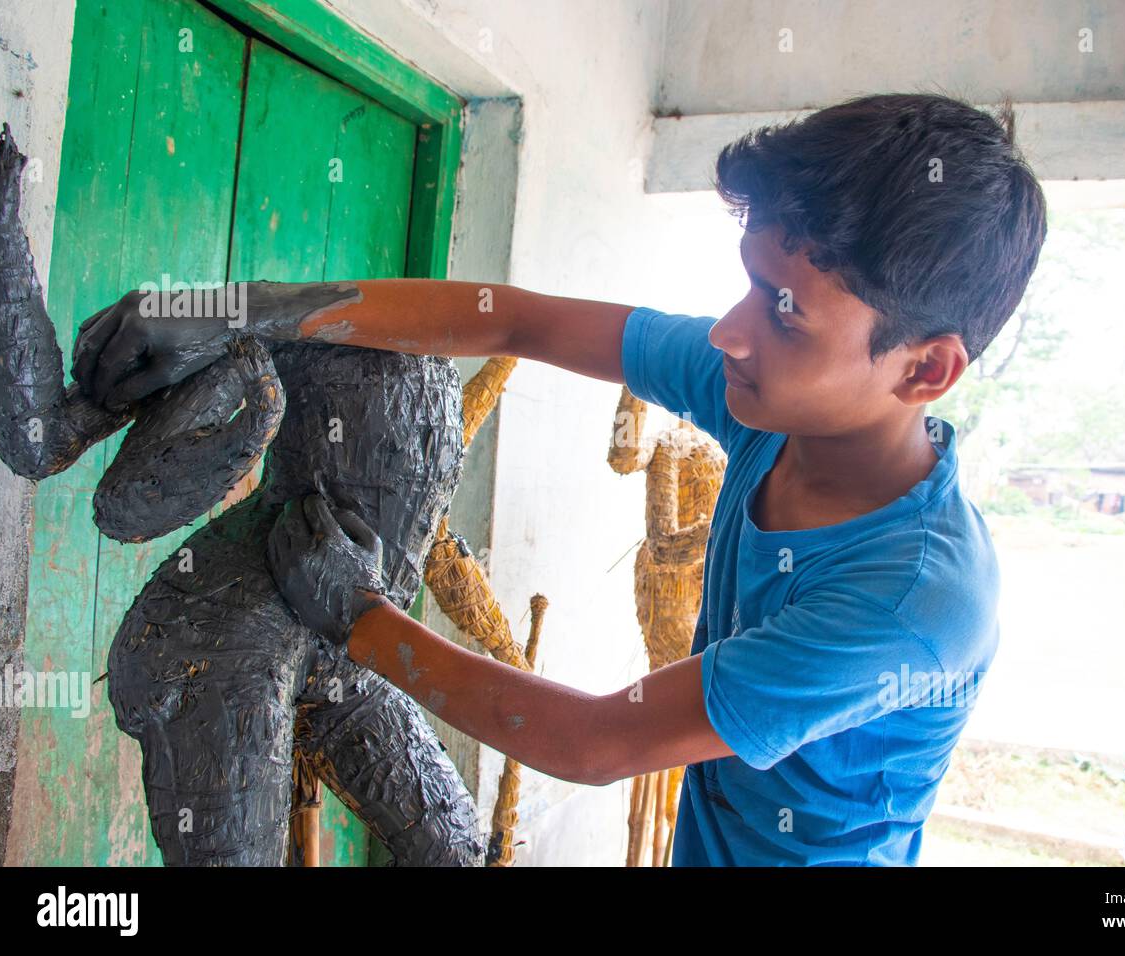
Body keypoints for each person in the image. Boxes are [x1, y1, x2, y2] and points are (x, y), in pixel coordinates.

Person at [72, 92, 1047, 866]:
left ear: (924, 369)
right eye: (748, 281)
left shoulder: (911, 602)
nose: (729, 330)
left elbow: (594, 741)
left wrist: (357, 616)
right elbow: (517, 319)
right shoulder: (772, 398)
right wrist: (239, 309)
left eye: (785, 311)